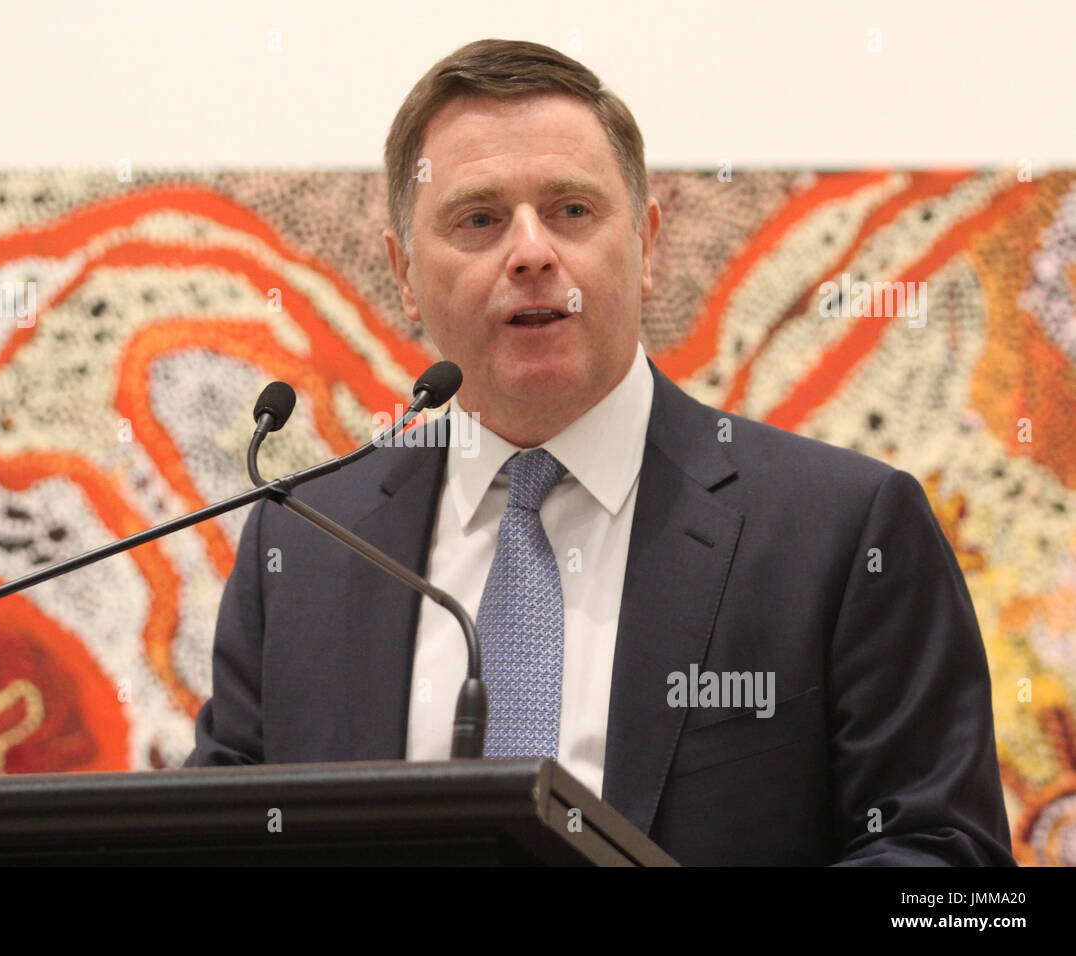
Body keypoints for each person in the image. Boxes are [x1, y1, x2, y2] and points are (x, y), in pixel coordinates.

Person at [183, 38, 1015, 866]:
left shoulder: (845, 531)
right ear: (404, 274)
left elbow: (944, 865)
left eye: (572, 211)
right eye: (479, 219)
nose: (533, 252)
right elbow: (212, 840)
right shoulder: (304, 545)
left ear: (646, 244)